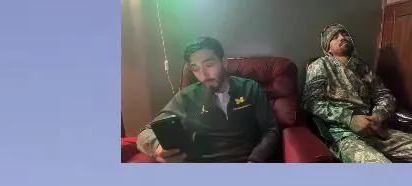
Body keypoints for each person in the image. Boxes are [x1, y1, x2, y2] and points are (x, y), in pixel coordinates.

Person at [135, 37, 280, 163]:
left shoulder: (250, 88)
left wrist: (255, 160)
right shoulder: (186, 97)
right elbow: (145, 133)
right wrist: (157, 147)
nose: (203, 75)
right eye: (195, 69)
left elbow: (270, 130)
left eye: (209, 65)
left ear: (224, 62)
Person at [303, 24, 412, 163]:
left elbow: (384, 95)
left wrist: (378, 116)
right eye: (335, 37)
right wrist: (349, 118)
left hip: (375, 130)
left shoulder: (362, 67)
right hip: (344, 136)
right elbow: (310, 102)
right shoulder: (320, 65)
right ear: (328, 48)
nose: (342, 37)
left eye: (344, 34)